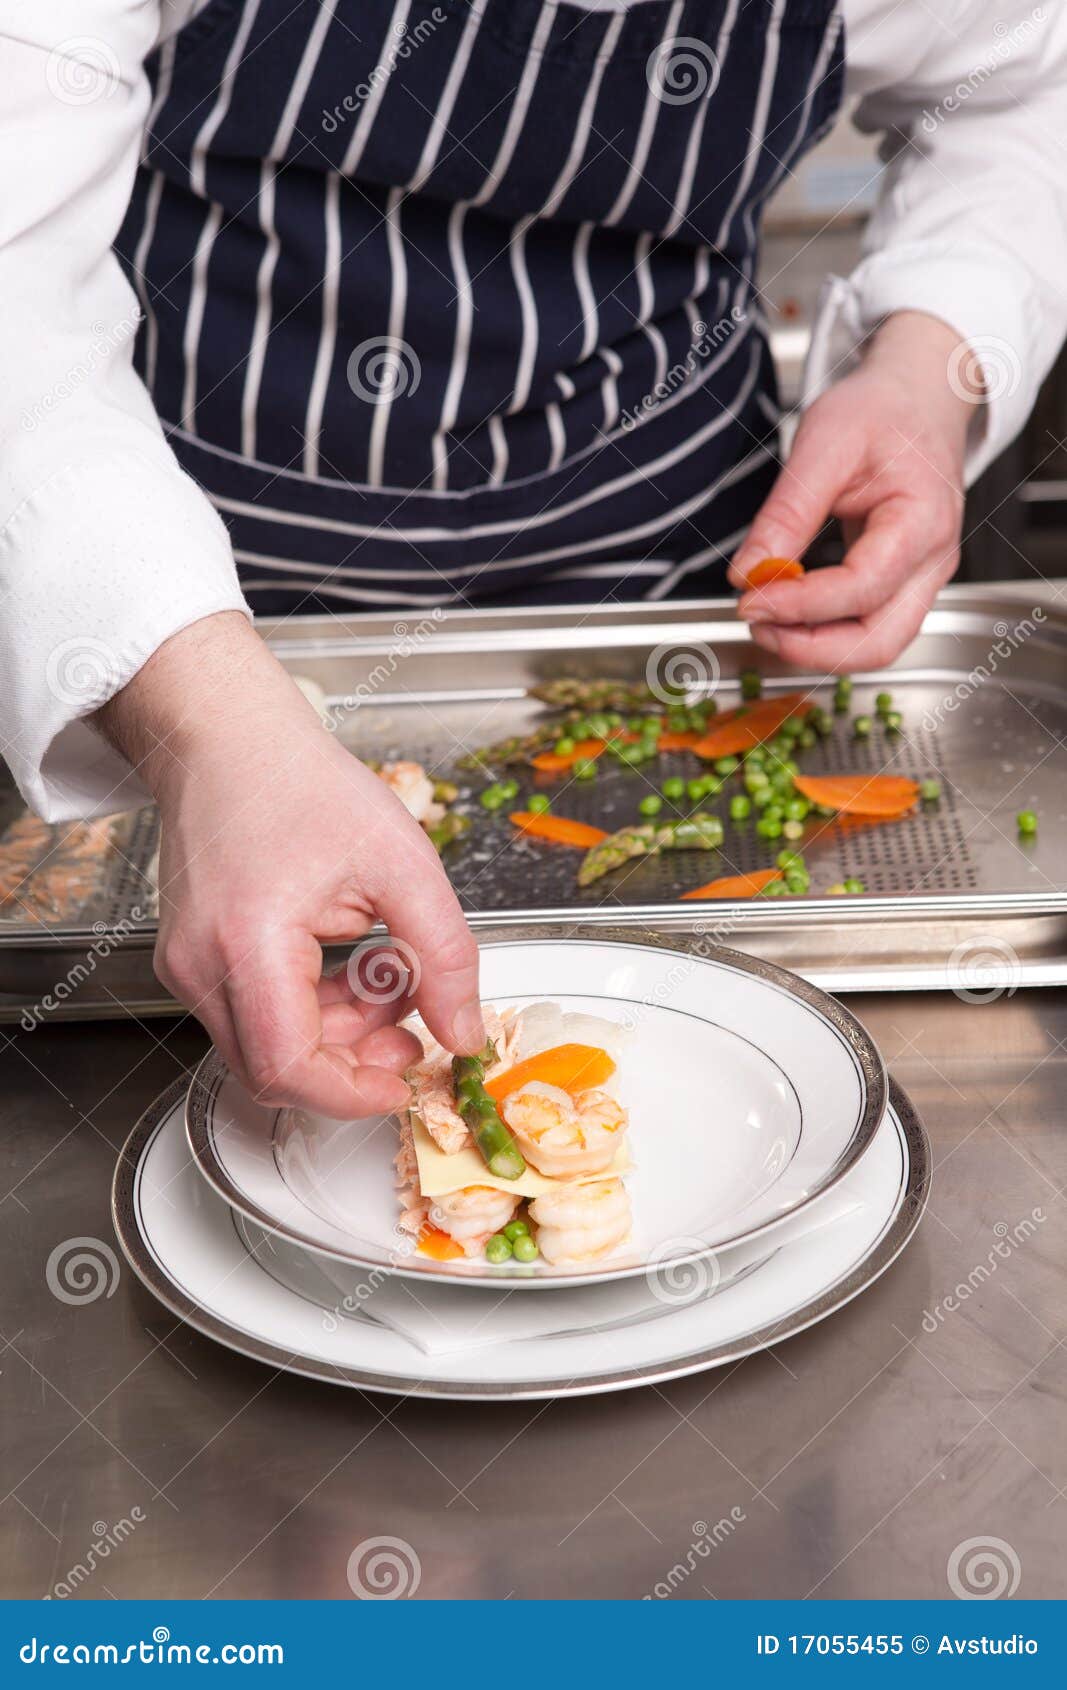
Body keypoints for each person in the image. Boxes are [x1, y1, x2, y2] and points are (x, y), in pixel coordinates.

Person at [2, 1, 1065, 1115]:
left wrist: (930, 359)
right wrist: (205, 725)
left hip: (671, 576)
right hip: (180, 597)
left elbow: (1014, 86)